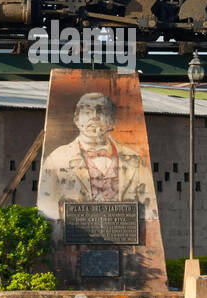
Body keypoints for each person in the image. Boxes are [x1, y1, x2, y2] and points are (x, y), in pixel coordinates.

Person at [37, 92, 158, 221]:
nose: (94, 117)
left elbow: (151, 212)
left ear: (112, 122)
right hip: (76, 237)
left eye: (101, 111)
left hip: (124, 236)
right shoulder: (56, 160)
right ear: (77, 120)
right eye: (87, 112)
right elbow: (46, 210)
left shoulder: (134, 161)